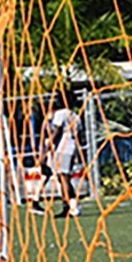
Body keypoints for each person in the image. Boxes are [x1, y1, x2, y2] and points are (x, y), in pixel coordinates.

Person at [33, 89, 81, 218]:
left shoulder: (61, 114)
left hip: (63, 148)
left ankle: (71, 208)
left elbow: (56, 133)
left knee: (63, 178)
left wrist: (46, 151)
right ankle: (71, 205)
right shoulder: (75, 115)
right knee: (63, 178)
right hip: (72, 147)